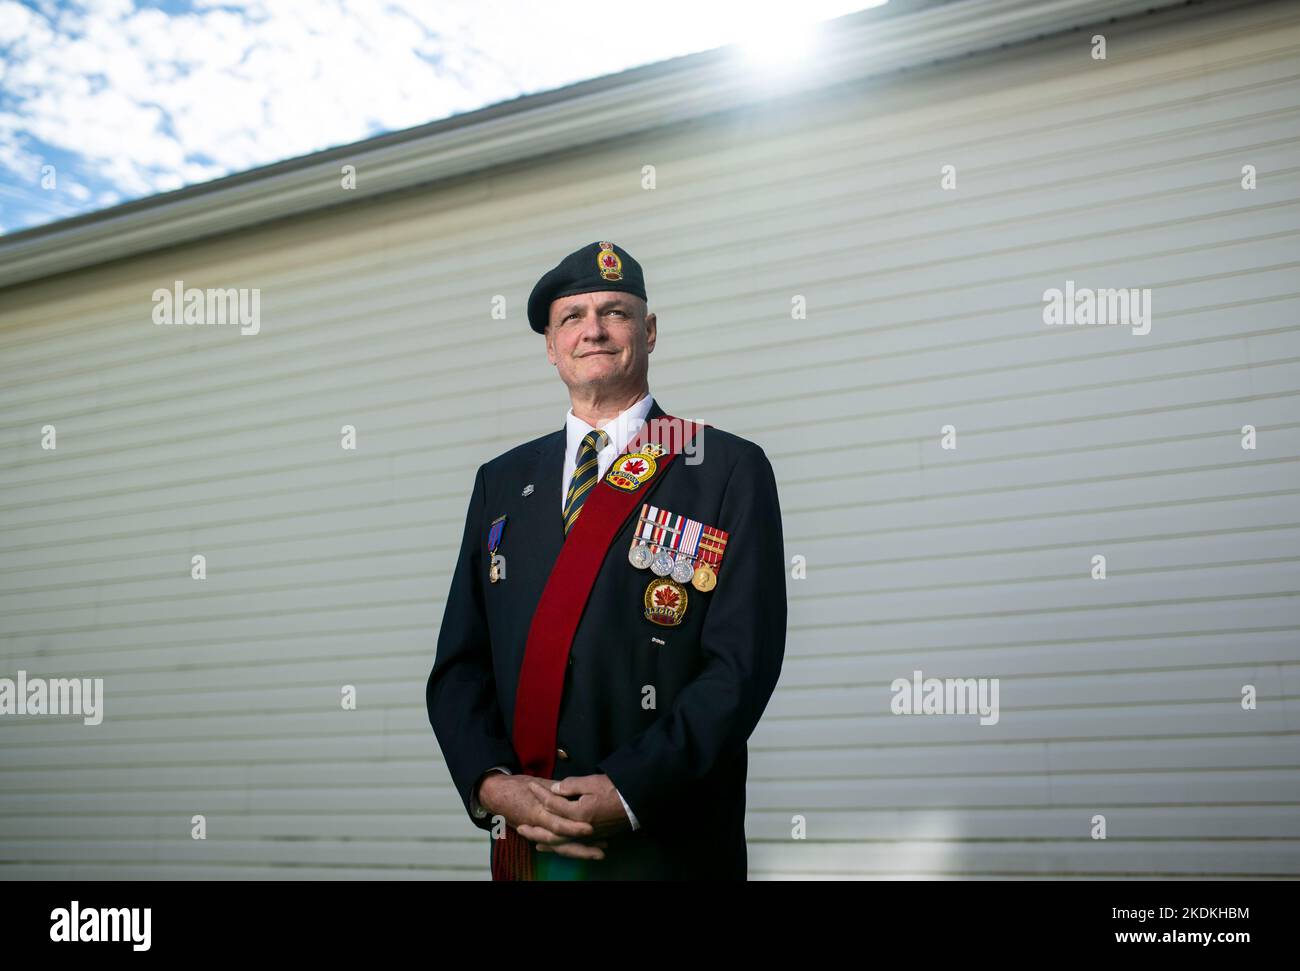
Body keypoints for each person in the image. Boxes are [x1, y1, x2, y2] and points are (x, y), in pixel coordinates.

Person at [426, 240, 787, 880]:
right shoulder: (502, 480)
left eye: (614, 312)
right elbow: (460, 664)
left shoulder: (723, 467)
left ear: (647, 331)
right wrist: (491, 786)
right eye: (572, 317)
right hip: (530, 841)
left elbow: (741, 666)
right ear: (551, 345)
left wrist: (628, 790)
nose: (592, 329)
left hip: (667, 840)